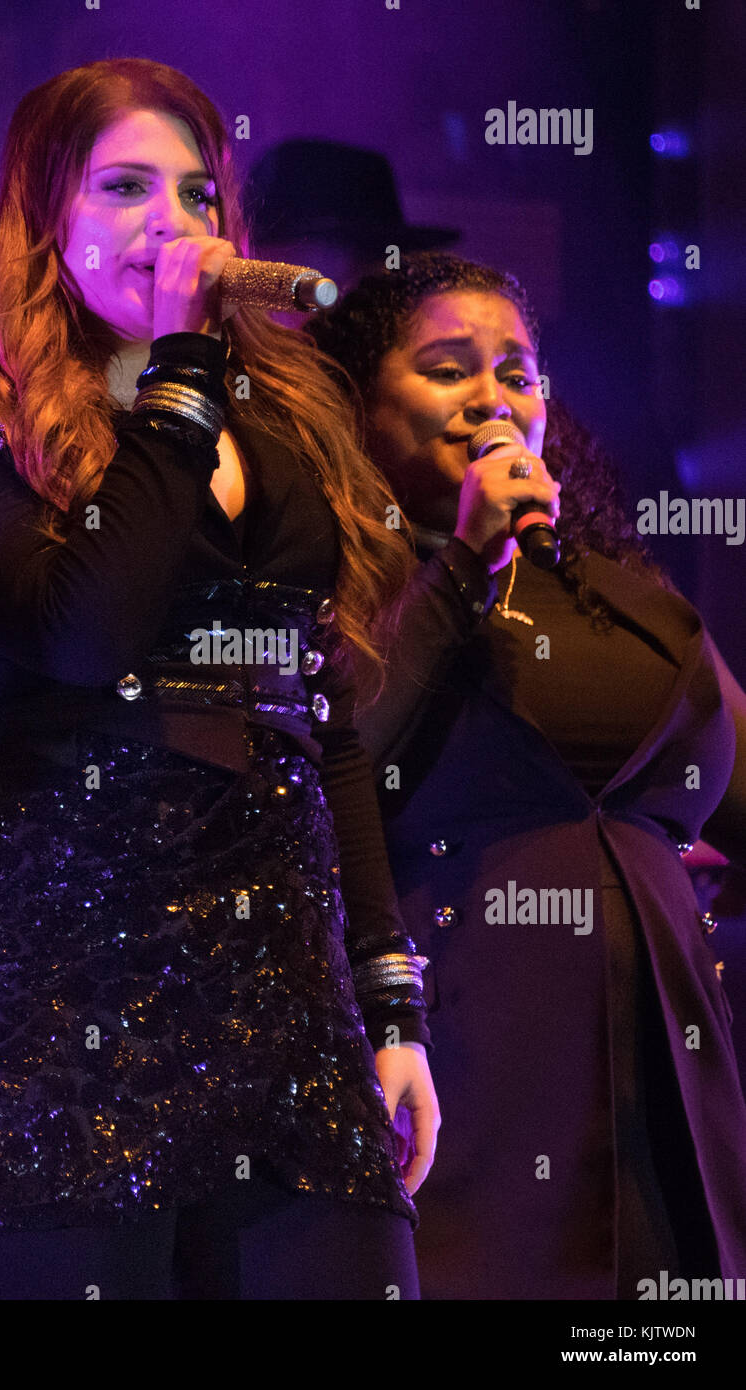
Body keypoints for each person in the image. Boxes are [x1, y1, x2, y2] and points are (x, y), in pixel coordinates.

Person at [0, 59, 442, 1301]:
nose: (172, 223)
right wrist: (176, 376)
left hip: (276, 1010)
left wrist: (388, 1007)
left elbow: (316, 720)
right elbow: (79, 631)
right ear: (42, 221)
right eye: (123, 188)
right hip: (43, 1005)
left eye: (196, 193)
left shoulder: (279, 435)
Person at [306, 252, 746, 1300]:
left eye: (516, 369)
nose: (492, 397)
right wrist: (460, 564)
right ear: (360, 412)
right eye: (448, 368)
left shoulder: (620, 595)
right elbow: (333, 762)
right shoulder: (341, 587)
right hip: (461, 1056)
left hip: (661, 1066)